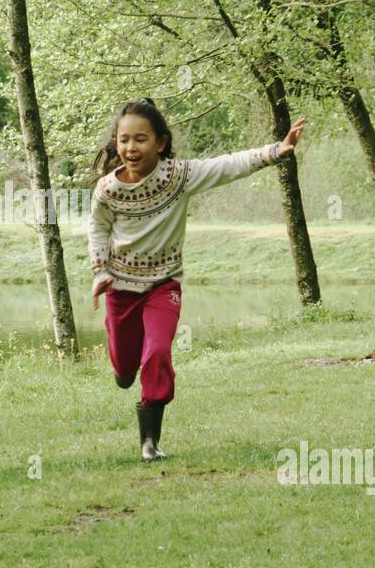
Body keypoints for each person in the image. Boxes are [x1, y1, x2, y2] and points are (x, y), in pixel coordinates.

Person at [87, 98, 305, 459]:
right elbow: (97, 229)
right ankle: (125, 374)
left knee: (157, 352)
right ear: (116, 143)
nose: (131, 148)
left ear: (159, 142)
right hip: (120, 288)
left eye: (140, 139)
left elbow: (227, 165)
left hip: (163, 285)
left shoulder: (179, 176)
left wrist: (275, 151)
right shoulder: (107, 190)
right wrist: (100, 272)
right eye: (124, 140)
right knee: (125, 368)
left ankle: (149, 441)